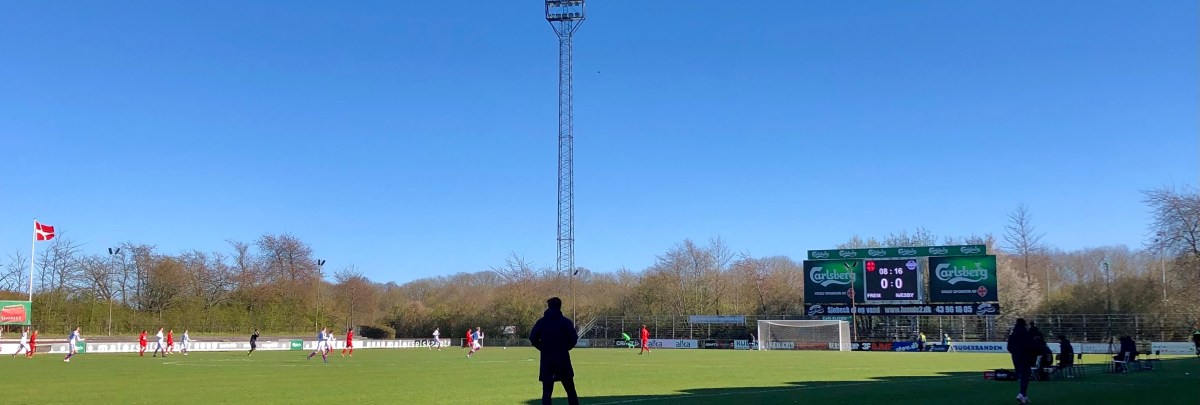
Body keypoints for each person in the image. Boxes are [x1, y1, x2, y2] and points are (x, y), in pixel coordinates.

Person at [529, 297, 580, 405]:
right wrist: (566, 348)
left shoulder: (542, 322)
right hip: (563, 359)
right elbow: (574, 339)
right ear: (560, 306)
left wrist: (542, 347)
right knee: (570, 390)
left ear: (549, 306)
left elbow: (533, 338)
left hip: (547, 360)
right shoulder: (565, 322)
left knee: (547, 392)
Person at [1007, 318, 1032, 404]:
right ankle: (1021, 393)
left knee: (1020, 374)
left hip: (1015, 356)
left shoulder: (1012, 332)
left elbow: (1009, 346)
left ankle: (1024, 396)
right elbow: (1029, 344)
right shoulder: (1025, 332)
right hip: (1024, 356)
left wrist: (1014, 352)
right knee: (1026, 375)